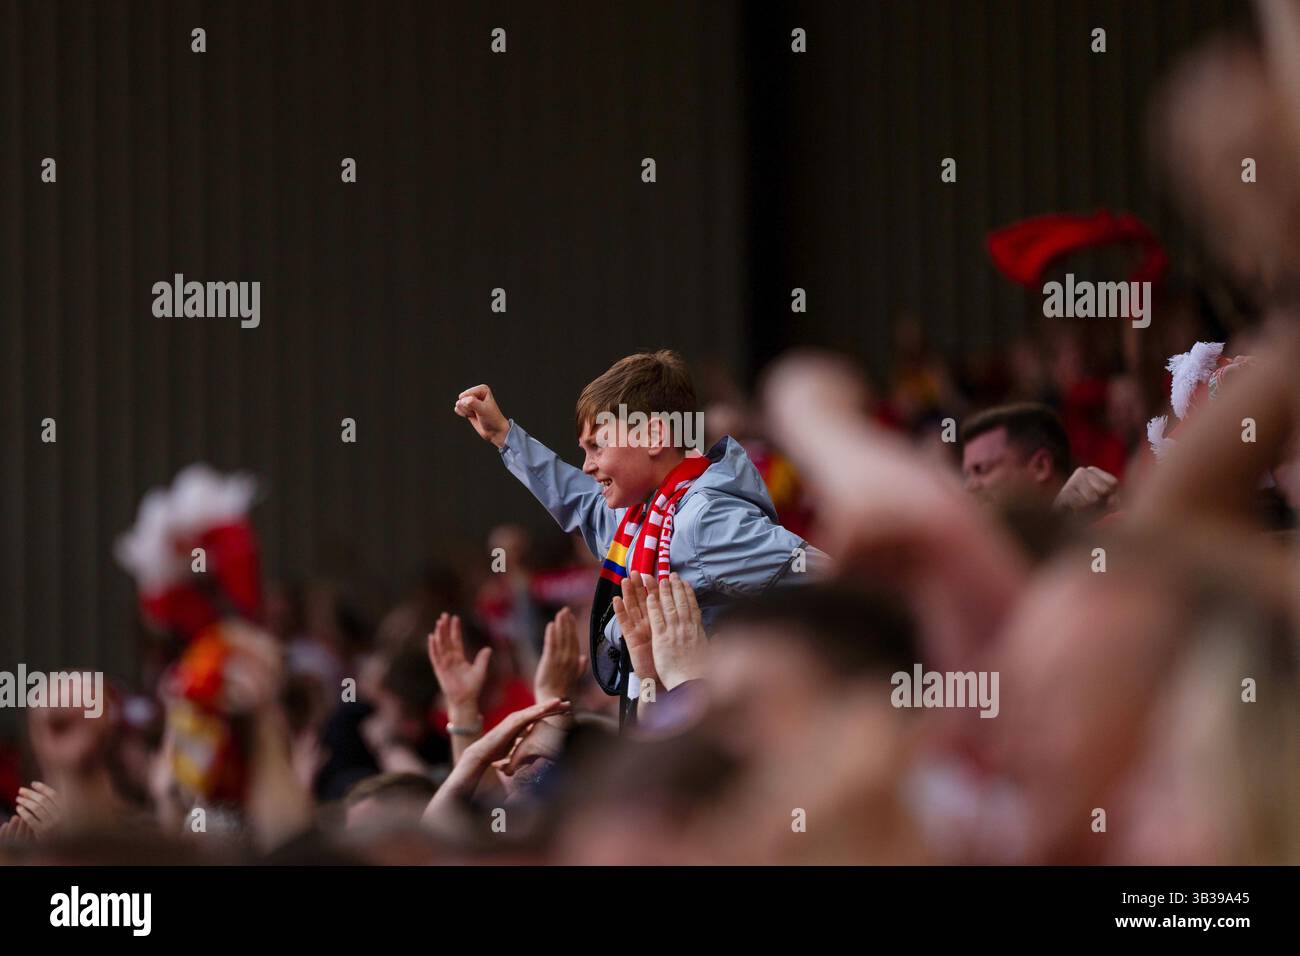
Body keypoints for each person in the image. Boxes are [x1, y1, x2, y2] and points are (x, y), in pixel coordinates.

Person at [454, 349, 829, 726]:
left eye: (597, 446)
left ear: (654, 437)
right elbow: (581, 502)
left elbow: (837, 582)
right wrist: (505, 436)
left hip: (709, 734)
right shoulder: (642, 516)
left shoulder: (704, 522)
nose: (587, 465)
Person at [960, 402, 1118, 516]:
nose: (969, 487)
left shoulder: (1106, 528)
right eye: (966, 475)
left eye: (980, 469)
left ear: (1041, 466)